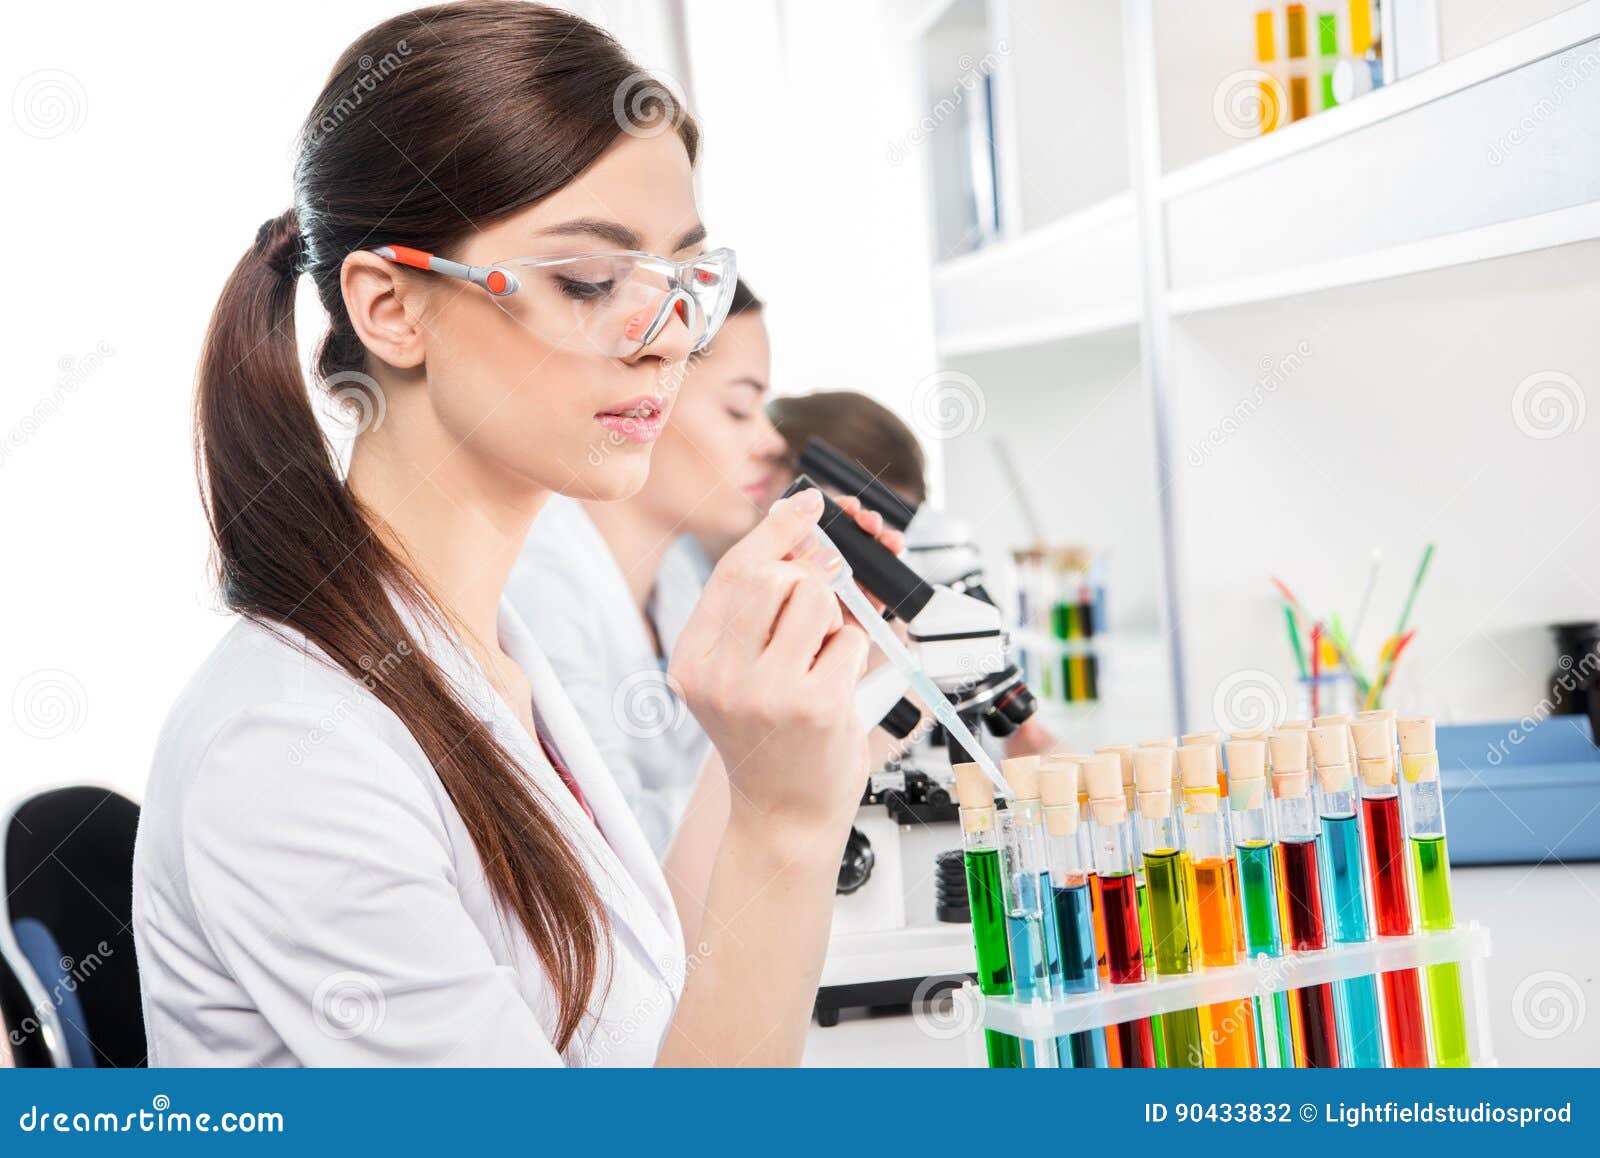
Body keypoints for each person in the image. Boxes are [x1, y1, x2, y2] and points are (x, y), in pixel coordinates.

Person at [132, 1, 897, 1068]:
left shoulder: (482, 649)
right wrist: (785, 832)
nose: (667, 337)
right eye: (591, 281)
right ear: (392, 308)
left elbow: (646, 1002)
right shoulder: (288, 753)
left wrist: (768, 747)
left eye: (684, 281)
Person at [508, 280, 783, 857]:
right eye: (739, 407)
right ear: (646, 393)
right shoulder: (538, 588)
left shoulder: (679, 575)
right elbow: (623, 858)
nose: (770, 441)